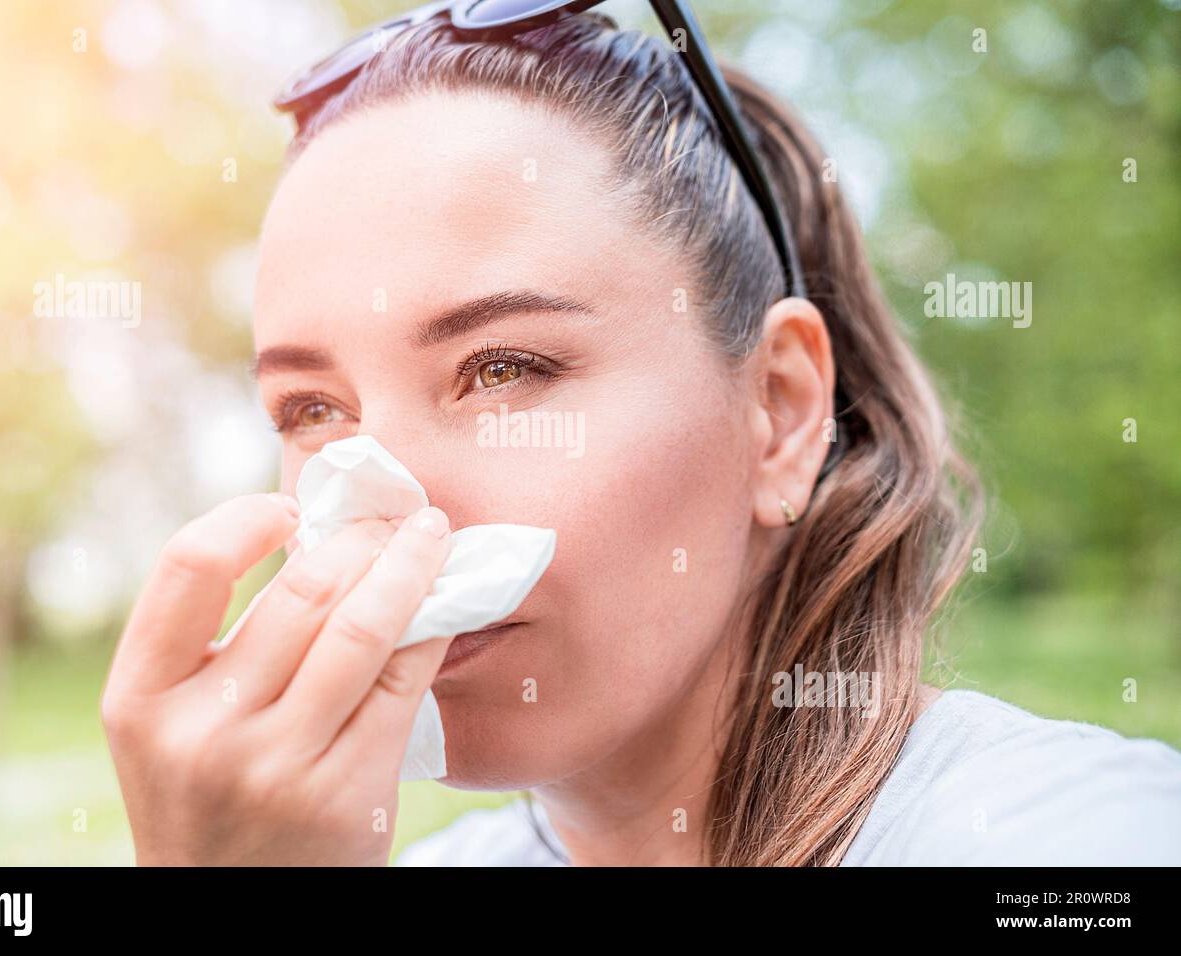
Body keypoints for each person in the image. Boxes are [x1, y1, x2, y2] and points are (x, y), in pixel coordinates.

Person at [100, 7, 1181, 866]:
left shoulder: (1074, 842)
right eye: (313, 411)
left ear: (780, 411)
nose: (383, 509)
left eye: (502, 370)